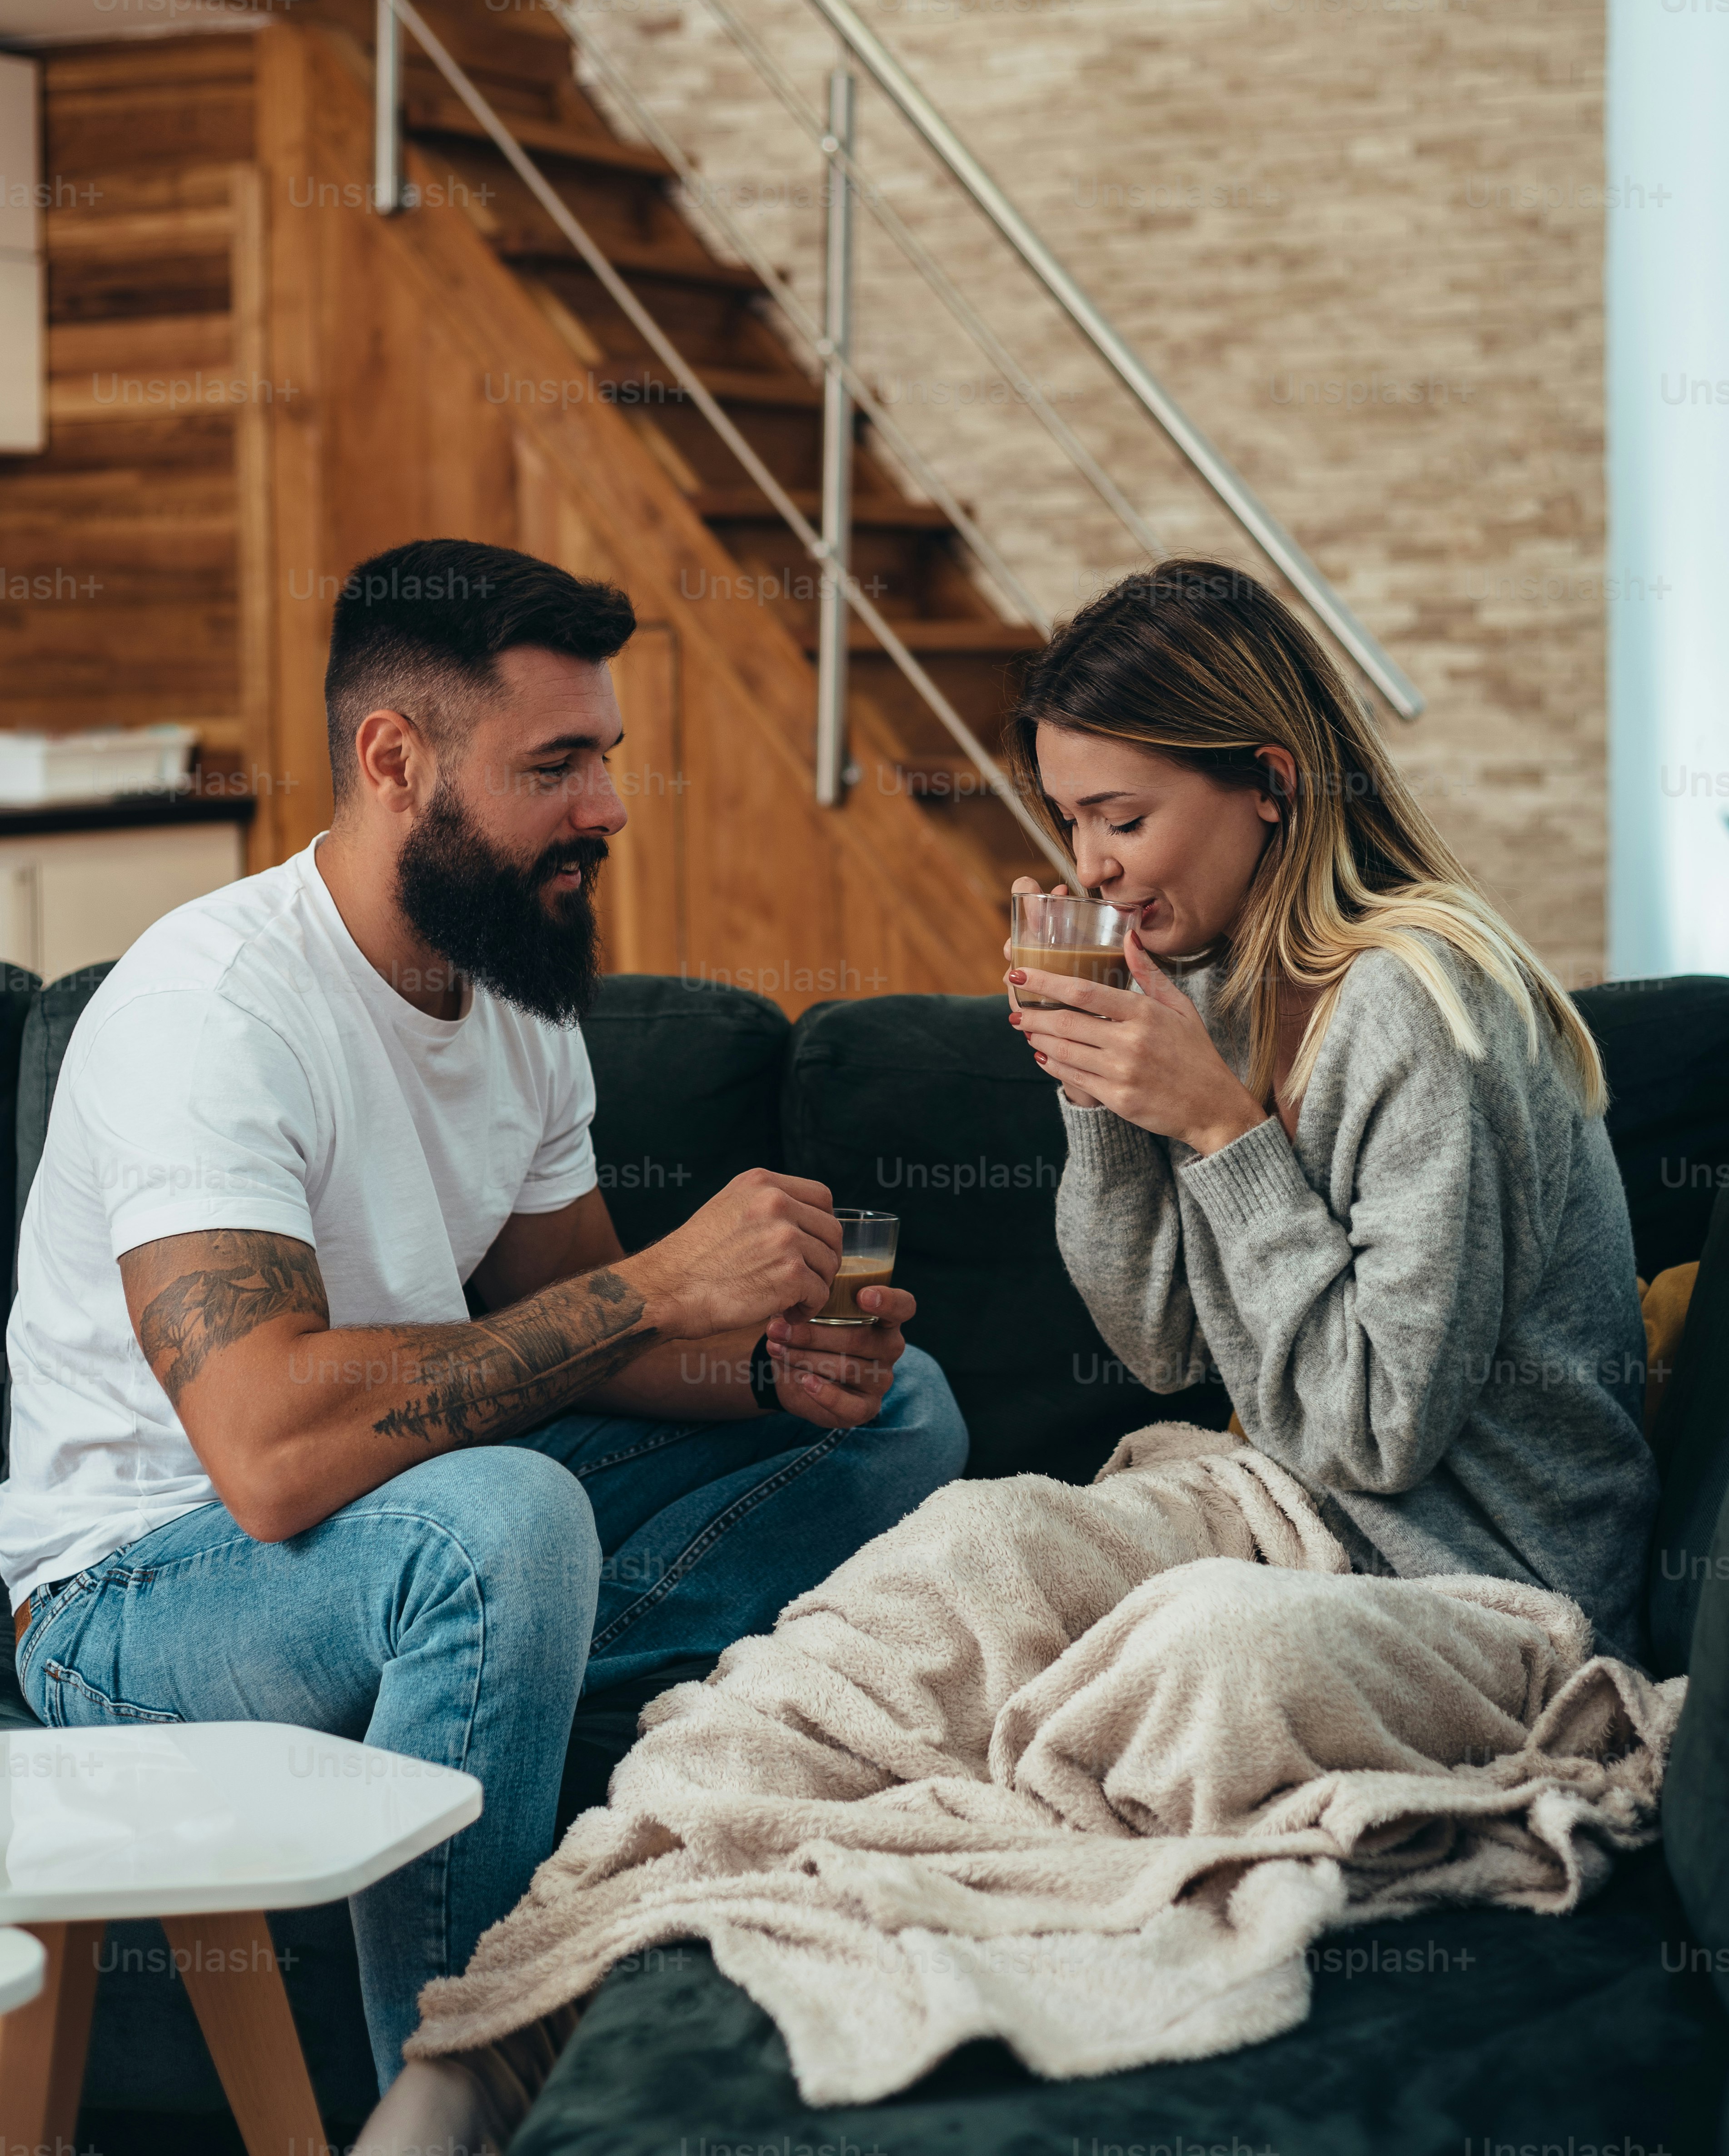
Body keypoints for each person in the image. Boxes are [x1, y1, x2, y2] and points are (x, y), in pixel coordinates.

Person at [0, 537, 968, 2089]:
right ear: (396, 760)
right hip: (138, 1592)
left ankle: (472, 1693)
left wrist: (763, 1361)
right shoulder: (212, 1013)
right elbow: (260, 1452)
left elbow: (572, 1329)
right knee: (503, 1524)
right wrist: (658, 1280)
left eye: (609, 757)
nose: (610, 808)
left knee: (906, 1414)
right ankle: (452, 2078)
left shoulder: (513, 995)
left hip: (407, 1529)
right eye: (558, 764)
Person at [1003, 559, 1657, 1662]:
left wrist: (1222, 1130)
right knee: (986, 1553)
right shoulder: (1209, 989)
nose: (1091, 868)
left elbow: (1371, 1431)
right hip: (1312, 1531)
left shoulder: (1425, 1009)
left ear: (1270, 778)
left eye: (1120, 817)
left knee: (1182, 1652)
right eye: (1070, 821)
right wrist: (1104, 1094)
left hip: (1494, 1586)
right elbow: (1161, 1347)